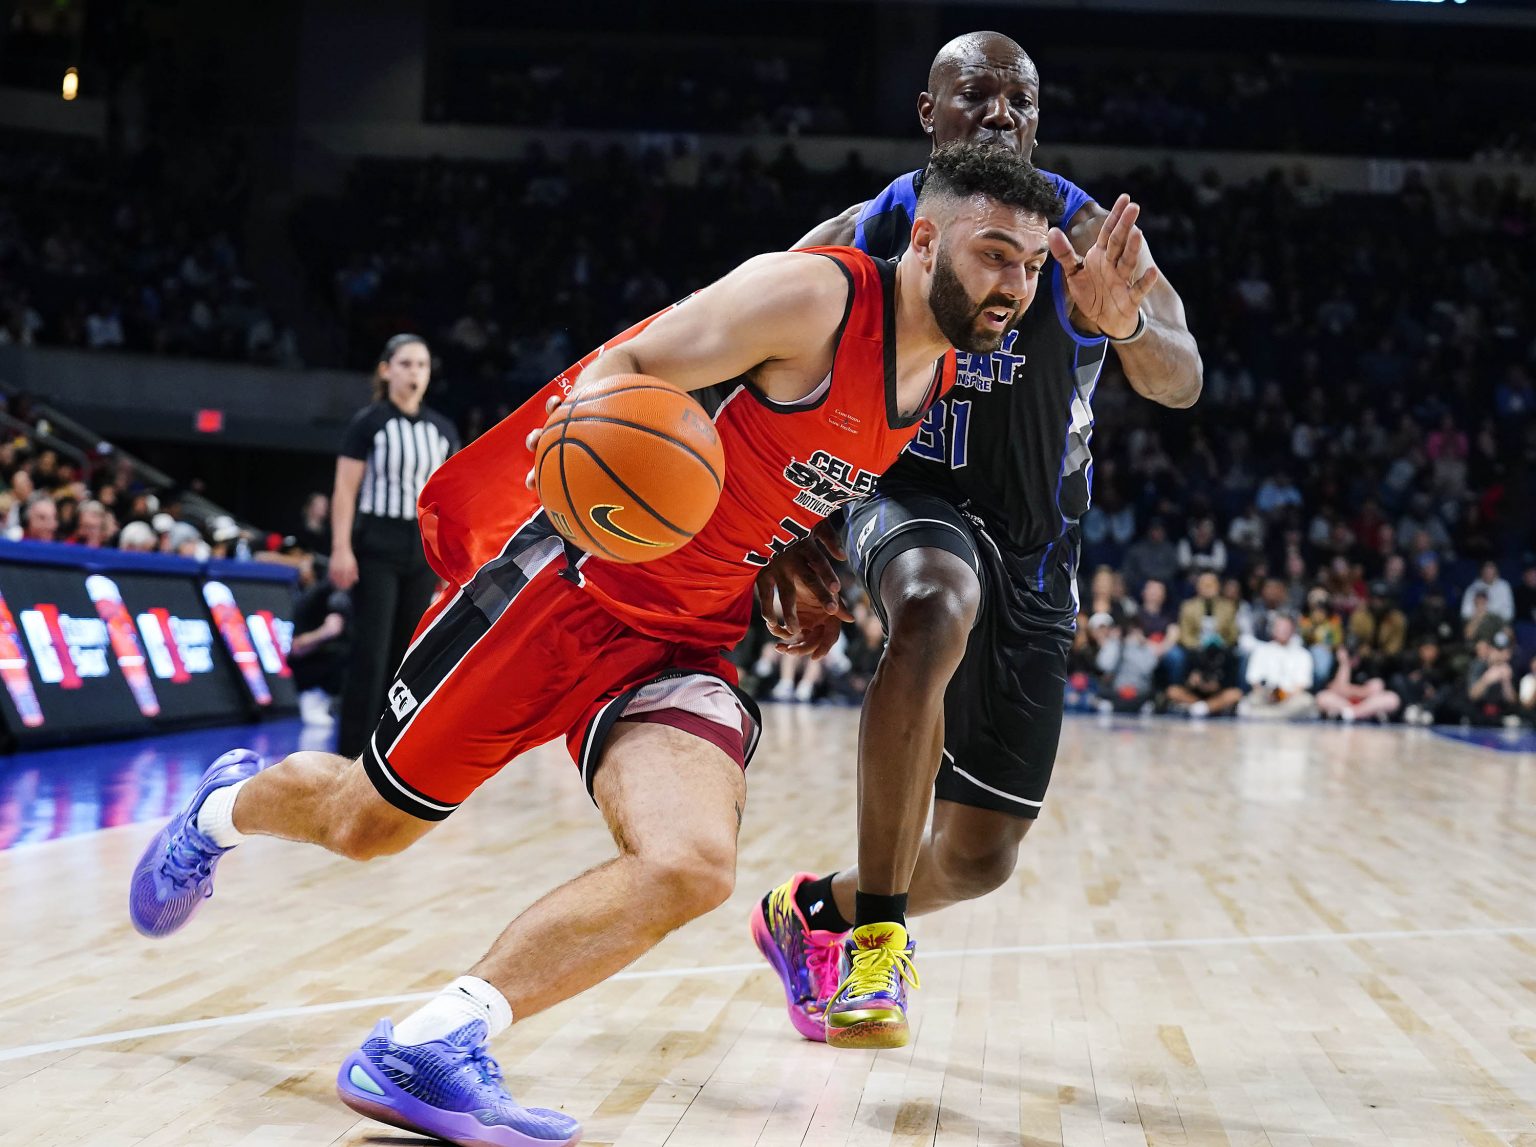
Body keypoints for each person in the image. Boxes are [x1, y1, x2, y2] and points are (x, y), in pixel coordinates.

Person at [128, 142, 1064, 1144]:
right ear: (924, 240)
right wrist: (584, 438)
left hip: (687, 639)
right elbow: (628, 366)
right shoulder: (814, 298)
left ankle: (434, 1041)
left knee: (693, 863)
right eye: (992, 253)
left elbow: (782, 461)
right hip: (568, 594)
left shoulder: (938, 370)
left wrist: (796, 551)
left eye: (1029, 264)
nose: (1013, 284)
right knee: (367, 825)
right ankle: (220, 809)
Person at [751, 30, 1200, 1048]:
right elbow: (757, 368)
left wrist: (1127, 328)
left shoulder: (1086, 236)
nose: (1001, 113)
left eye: (1020, 100)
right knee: (932, 602)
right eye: (976, 94)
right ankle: (878, 945)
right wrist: (782, 525)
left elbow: (1184, 380)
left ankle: (814, 908)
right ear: (929, 113)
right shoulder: (866, 231)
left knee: (979, 857)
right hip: (907, 497)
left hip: (1038, 545)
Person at [330, 335, 461, 758]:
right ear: (386, 371)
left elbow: (449, 499)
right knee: (370, 650)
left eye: (422, 365)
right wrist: (341, 547)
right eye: (405, 364)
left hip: (421, 548)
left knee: (408, 653)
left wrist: (452, 559)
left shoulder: (443, 429)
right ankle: (351, 753)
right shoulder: (368, 423)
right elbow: (345, 490)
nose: (414, 372)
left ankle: (389, 752)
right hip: (377, 544)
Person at [1236, 614, 1316, 721]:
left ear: (1293, 630)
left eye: (1287, 628)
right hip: (1266, 696)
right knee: (1249, 702)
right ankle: (1277, 715)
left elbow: (1302, 684)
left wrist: (1285, 696)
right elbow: (1254, 681)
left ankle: (1267, 715)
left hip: (1291, 698)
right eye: (1280, 627)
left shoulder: (1303, 654)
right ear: (1273, 629)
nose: (1283, 631)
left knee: (1307, 702)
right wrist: (1268, 695)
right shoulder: (1261, 651)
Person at [1315, 646, 1402, 723]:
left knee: (1392, 699)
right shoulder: (1338, 664)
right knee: (1321, 697)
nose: (1352, 658)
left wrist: (1349, 690)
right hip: (1344, 702)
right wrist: (1344, 664)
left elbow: (1376, 689)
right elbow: (1337, 690)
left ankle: (1352, 714)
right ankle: (1359, 714)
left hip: (1366, 703)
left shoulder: (1368, 664)